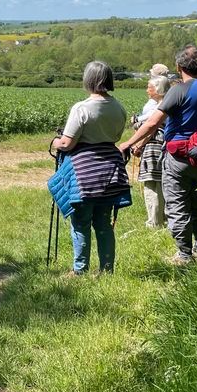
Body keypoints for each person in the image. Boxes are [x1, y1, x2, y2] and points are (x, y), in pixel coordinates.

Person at [120, 45, 197, 265]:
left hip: (178, 157)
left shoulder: (179, 90)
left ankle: (184, 254)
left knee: (177, 205)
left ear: (179, 66)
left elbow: (153, 123)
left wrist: (127, 143)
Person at [52, 61, 130, 276]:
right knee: (103, 223)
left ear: (88, 79)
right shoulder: (119, 107)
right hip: (110, 170)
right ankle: (107, 270)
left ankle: (80, 270)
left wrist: (57, 142)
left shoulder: (82, 108)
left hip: (84, 171)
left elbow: (67, 143)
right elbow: (116, 137)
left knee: (81, 222)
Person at [134, 76, 170, 228]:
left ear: (158, 89)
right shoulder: (168, 103)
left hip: (154, 146)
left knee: (152, 184)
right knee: (160, 183)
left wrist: (138, 144)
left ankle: (155, 222)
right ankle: (162, 218)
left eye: (149, 87)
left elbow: (151, 127)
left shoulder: (159, 107)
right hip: (161, 145)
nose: (147, 90)